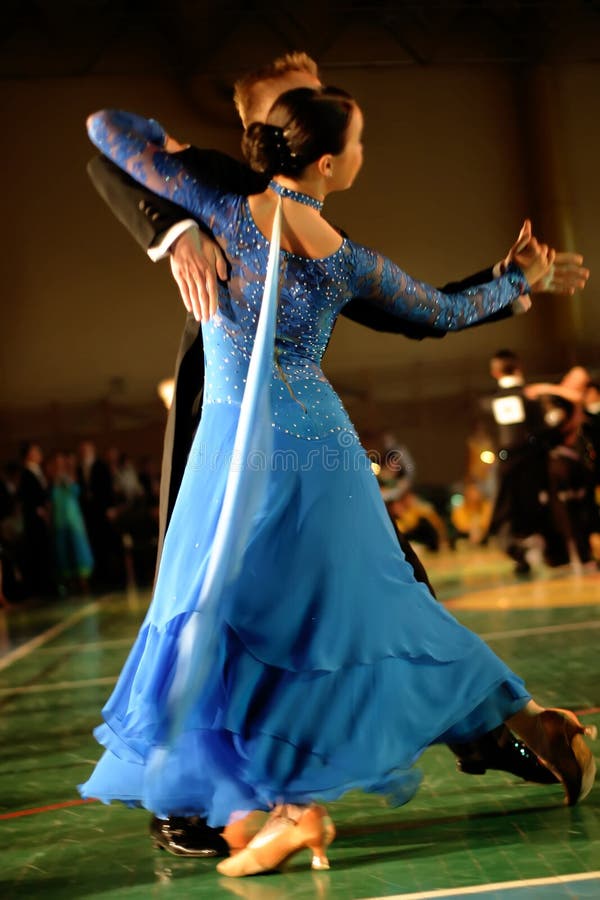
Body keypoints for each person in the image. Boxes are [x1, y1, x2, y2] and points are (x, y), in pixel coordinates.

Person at [81, 88, 596, 878]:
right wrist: (515, 279)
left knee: (240, 617)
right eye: (359, 143)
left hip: (231, 448)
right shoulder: (346, 259)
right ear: (327, 163)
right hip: (318, 447)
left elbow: (105, 127)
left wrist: (183, 225)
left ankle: (296, 810)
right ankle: (520, 718)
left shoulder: (219, 206)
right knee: (369, 611)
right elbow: (440, 312)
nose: (363, 155)